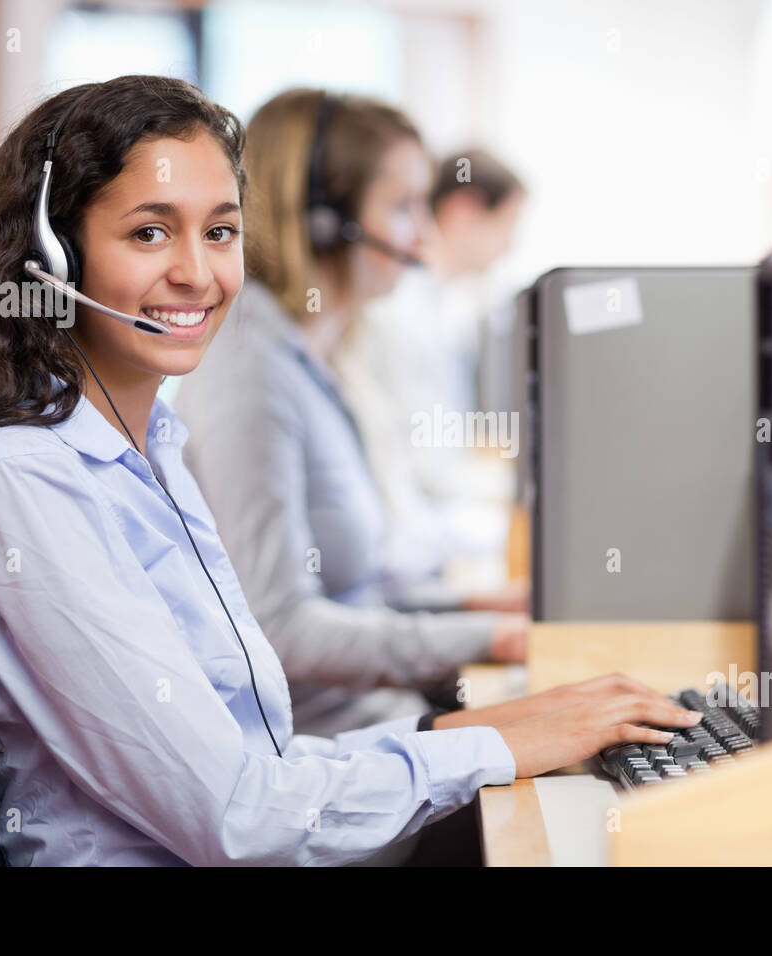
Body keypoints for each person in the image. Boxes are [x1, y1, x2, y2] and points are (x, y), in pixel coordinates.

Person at [0, 75, 701, 866]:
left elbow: (259, 763)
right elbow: (236, 814)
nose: (197, 271)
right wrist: (489, 741)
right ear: (55, 259)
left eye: (220, 231)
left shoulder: (145, 450)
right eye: (150, 232)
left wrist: (502, 725)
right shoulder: (25, 484)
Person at [176, 90, 526, 739]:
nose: (424, 236)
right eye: (402, 207)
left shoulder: (312, 355)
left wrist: (477, 608)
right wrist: (493, 636)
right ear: (324, 221)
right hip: (329, 760)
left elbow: (352, 596)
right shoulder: (250, 368)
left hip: (377, 728)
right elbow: (283, 628)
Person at [334, 148, 528, 582]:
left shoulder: (439, 307)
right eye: (508, 226)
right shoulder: (401, 309)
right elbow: (426, 466)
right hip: (406, 530)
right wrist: (517, 486)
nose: (510, 247)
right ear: (463, 212)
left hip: (422, 518)